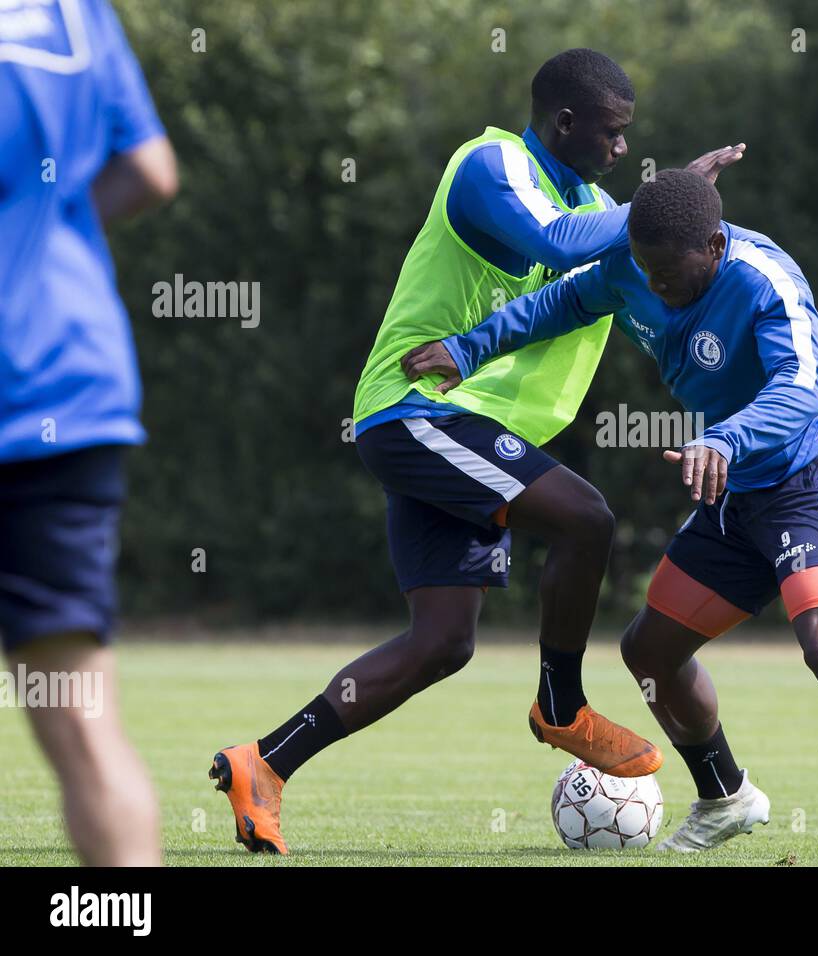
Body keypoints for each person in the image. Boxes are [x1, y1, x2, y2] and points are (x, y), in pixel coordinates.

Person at [210, 49, 744, 854]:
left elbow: (628, 282)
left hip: (466, 431)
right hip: (415, 409)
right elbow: (557, 244)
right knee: (587, 522)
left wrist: (686, 227)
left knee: (443, 642)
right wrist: (655, 204)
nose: (622, 152)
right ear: (564, 121)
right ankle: (560, 704)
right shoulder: (488, 164)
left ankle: (266, 764)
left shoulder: (600, 205)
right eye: (612, 133)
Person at [417, 169, 818, 863]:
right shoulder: (633, 266)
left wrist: (724, 437)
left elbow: (799, 388)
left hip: (809, 475)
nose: (652, 286)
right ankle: (727, 796)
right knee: (649, 651)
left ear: (712, 244)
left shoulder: (767, 279)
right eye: (642, 269)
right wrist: (468, 348)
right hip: (734, 490)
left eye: (668, 271)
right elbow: (560, 302)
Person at [1, 0, 179, 866]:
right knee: (79, 720)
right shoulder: (73, 11)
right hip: (67, 387)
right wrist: (39, 238)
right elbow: (150, 170)